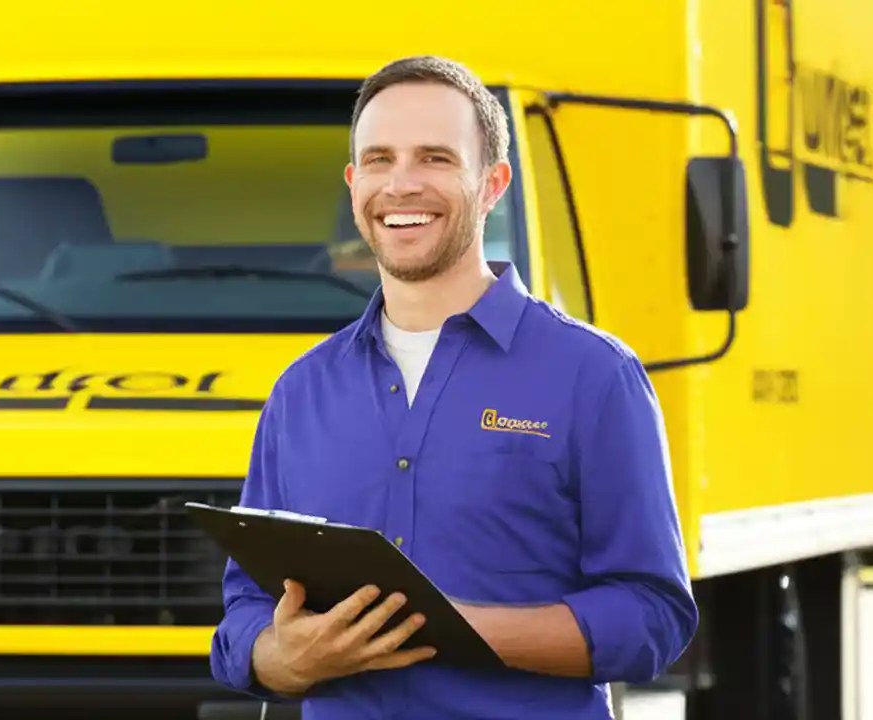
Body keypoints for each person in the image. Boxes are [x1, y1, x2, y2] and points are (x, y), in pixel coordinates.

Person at [209, 55, 698, 719]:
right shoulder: (301, 391)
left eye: (435, 158)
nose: (401, 184)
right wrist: (280, 657)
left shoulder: (594, 376)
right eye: (379, 160)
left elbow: (652, 616)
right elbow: (245, 612)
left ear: (493, 183)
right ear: (354, 185)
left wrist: (448, 626)